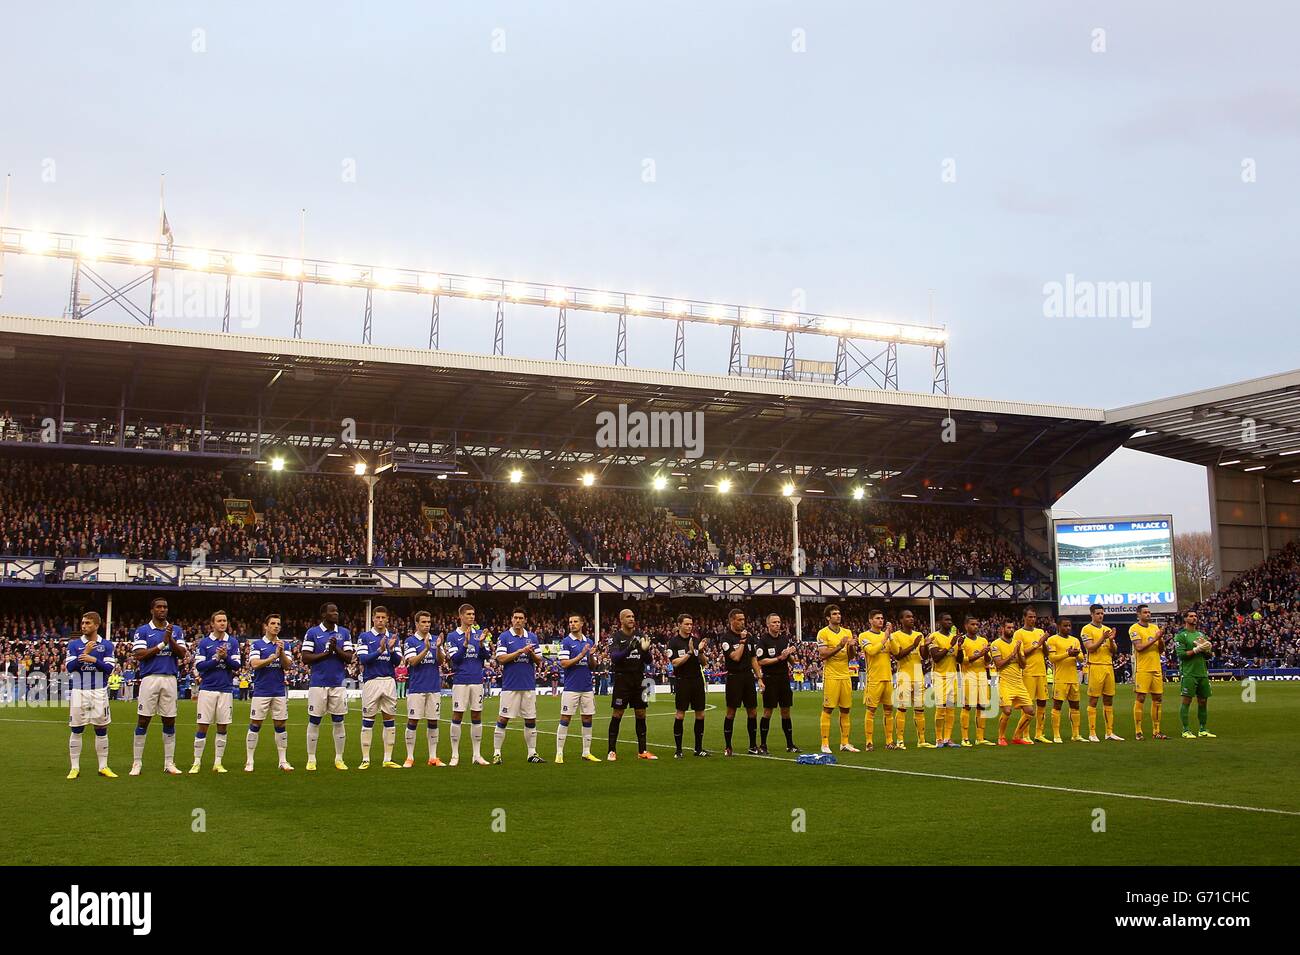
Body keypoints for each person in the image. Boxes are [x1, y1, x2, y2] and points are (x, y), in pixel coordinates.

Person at [130, 596, 187, 776]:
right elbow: (140, 654)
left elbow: (182, 653)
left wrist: (170, 639)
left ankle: (169, 762)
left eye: (165, 607)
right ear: (152, 610)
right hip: (150, 678)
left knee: (169, 719)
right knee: (143, 719)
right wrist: (162, 643)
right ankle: (137, 763)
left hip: (169, 678)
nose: (163, 610)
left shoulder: (176, 630)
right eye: (159, 607)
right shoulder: (143, 630)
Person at [300, 602, 354, 771]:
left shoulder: (344, 633)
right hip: (318, 684)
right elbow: (305, 658)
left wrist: (335, 649)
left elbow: (349, 657)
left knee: (338, 721)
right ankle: (311, 759)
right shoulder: (313, 633)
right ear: (323, 615)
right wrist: (325, 653)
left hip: (338, 683)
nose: (336, 613)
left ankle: (339, 758)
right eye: (332, 611)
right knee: (314, 720)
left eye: (337, 611)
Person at [65, 611, 117, 779]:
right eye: (83, 623)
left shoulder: (107, 645)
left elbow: (109, 669)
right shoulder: (73, 645)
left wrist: (93, 659)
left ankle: (103, 766)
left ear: (96, 625)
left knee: (101, 728)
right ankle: (74, 768)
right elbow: (69, 667)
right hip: (79, 690)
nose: (84, 626)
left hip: (99, 691)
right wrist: (83, 655)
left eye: (88, 623)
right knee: (77, 729)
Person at [191, 609, 241, 774]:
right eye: (219, 621)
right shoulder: (205, 643)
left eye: (224, 621)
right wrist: (217, 658)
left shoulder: (232, 642)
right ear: (212, 624)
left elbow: (236, 666)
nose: (222, 623)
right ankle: (197, 762)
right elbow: (200, 666)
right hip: (207, 689)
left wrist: (225, 657)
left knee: (222, 727)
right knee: (202, 726)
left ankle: (218, 762)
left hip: (225, 690)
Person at [493, 607, 545, 764]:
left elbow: (539, 661)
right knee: (503, 719)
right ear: (511, 619)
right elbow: (501, 659)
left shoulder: (532, 637)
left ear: (525, 620)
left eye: (521, 618)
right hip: (510, 686)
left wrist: (531, 654)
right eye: (515, 617)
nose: (518, 620)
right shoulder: (504, 637)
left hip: (528, 685)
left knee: (530, 719)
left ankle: (532, 753)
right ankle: (496, 754)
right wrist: (520, 651)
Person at [445, 603, 492, 766]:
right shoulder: (452, 636)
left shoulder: (479, 634)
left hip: (477, 680)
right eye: (468, 614)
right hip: (460, 681)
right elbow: (455, 659)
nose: (472, 617)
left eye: (473, 614)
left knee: (477, 715)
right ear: (461, 616)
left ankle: (477, 755)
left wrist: (480, 644)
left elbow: (487, 656)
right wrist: (465, 644)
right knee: (457, 715)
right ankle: (455, 754)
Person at [245, 613, 294, 772]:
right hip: (261, 691)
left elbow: (287, 666)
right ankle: (250, 761)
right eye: (273, 623)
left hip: (278, 691)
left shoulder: (284, 645)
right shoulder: (257, 645)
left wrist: (281, 654)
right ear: (266, 626)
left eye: (278, 624)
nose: (276, 626)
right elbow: (254, 664)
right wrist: (272, 657)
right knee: (255, 724)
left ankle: (283, 760)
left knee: (280, 724)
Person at [355, 605, 402, 769]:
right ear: (373, 619)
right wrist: (380, 650)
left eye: (383, 618)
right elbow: (363, 659)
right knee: (368, 720)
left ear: (387, 619)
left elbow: (397, 662)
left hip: (389, 681)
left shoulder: (392, 637)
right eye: (378, 617)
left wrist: (391, 649)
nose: (380, 620)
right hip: (372, 681)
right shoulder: (365, 637)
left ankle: (387, 759)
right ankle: (365, 759)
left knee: (389, 720)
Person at [607, 607, 656, 761]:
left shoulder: (641, 636)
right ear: (621, 620)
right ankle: (611, 751)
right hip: (623, 679)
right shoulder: (615, 637)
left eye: (633, 616)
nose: (631, 619)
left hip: (640, 679)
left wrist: (645, 650)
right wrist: (630, 648)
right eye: (628, 616)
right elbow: (615, 658)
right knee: (618, 713)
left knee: (641, 713)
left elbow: (649, 660)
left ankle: (642, 751)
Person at [556, 612, 601, 763]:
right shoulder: (566, 642)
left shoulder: (588, 641)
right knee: (565, 718)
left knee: (587, 718)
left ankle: (586, 752)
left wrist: (591, 656)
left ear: (582, 624)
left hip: (587, 687)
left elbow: (593, 666)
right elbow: (564, 664)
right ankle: (559, 753)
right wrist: (581, 655)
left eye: (575, 621)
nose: (572, 624)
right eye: (570, 622)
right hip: (571, 687)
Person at [403, 610, 445, 767]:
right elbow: (412, 662)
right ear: (416, 624)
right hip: (417, 687)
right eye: (424, 622)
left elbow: (440, 662)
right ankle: (410, 757)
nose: (427, 625)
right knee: (413, 721)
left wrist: (439, 648)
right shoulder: (410, 641)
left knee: (433, 721)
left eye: (428, 622)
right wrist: (427, 649)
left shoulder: (435, 639)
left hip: (433, 687)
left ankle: (433, 757)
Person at [719, 609, 764, 756]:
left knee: (752, 711)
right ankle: (728, 746)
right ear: (732, 620)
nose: (743, 622)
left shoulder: (750, 637)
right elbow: (735, 657)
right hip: (734, 677)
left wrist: (759, 678)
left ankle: (752, 745)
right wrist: (743, 641)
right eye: (739, 620)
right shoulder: (726, 639)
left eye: (744, 619)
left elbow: (753, 659)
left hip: (748, 677)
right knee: (731, 712)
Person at [815, 604, 858, 754]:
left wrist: (852, 646)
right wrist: (840, 645)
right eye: (834, 614)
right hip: (832, 675)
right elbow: (823, 655)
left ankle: (845, 743)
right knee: (828, 709)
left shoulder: (847, 632)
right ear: (828, 617)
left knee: (846, 709)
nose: (838, 616)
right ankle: (825, 743)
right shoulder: (823, 633)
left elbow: (851, 656)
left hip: (845, 675)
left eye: (839, 613)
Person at [666, 613, 710, 758]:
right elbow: (674, 663)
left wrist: (701, 651)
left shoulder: (696, 641)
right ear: (679, 625)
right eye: (686, 624)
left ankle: (698, 748)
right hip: (682, 680)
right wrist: (690, 653)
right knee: (680, 714)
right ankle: (678, 750)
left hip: (697, 680)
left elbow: (704, 663)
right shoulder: (673, 643)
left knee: (701, 714)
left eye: (691, 624)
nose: (689, 626)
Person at [756, 612, 799, 754]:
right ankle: (762, 745)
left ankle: (790, 744)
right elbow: (761, 661)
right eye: (774, 622)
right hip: (770, 678)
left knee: (786, 711)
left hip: (783, 679)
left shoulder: (784, 639)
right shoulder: (763, 641)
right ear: (767, 625)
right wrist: (780, 658)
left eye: (779, 622)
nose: (777, 625)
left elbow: (791, 661)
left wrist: (791, 654)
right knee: (768, 711)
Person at [889, 609, 932, 749]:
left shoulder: (919, 635)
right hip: (904, 676)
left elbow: (924, 656)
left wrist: (925, 645)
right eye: (908, 617)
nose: (911, 619)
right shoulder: (895, 636)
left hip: (918, 676)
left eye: (912, 616)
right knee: (902, 709)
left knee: (920, 709)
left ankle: (922, 740)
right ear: (901, 620)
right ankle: (900, 741)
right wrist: (914, 644)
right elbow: (898, 655)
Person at [1081, 604, 1123, 742]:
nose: (1100, 615)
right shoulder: (1086, 629)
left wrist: (1110, 640)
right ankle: (1092, 733)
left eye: (1102, 613)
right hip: (1095, 666)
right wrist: (1103, 638)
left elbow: (1114, 650)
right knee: (1093, 699)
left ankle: (1109, 732)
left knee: (1109, 699)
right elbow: (1090, 648)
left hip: (1108, 666)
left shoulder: (1107, 629)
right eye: (1098, 613)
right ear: (1091, 614)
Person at [989, 620, 1034, 745]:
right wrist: (1012, 654)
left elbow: (1023, 665)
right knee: (1007, 711)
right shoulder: (996, 644)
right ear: (1002, 629)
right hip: (1005, 683)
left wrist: (1019, 653)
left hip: (1019, 683)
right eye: (1008, 627)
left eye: (1012, 627)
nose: (1011, 629)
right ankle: (1001, 737)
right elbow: (998, 665)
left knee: (1030, 711)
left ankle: (1017, 736)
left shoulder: (1017, 643)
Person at [1174, 610, 1216, 739]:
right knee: (1187, 701)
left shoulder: (1200, 634)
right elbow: (1181, 655)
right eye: (1191, 616)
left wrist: (1207, 649)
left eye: (1195, 616)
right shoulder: (1181, 635)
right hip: (1189, 673)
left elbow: (1208, 656)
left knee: (1203, 701)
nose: (1194, 618)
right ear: (1185, 619)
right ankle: (1185, 730)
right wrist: (1197, 649)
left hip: (1202, 672)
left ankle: (1202, 729)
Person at [1128, 603, 1167, 740]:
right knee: (1141, 698)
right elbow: (1139, 647)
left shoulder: (1154, 628)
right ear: (1138, 614)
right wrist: (1156, 638)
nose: (1148, 614)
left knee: (1158, 698)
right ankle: (1138, 731)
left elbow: (1160, 650)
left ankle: (1156, 731)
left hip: (1156, 667)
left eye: (1149, 612)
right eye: (1145, 612)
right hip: (1143, 669)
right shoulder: (1134, 628)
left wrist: (1160, 639)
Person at [1014, 606, 1052, 744]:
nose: (1033, 619)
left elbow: (1046, 653)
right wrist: (1039, 643)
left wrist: (1045, 644)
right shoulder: (1019, 634)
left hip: (1041, 672)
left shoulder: (1040, 632)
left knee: (1042, 702)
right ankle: (1025, 734)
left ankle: (1039, 733)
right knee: (1027, 704)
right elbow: (1021, 653)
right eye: (1030, 617)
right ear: (1024, 617)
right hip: (1028, 672)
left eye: (1034, 617)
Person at [956, 615, 994, 746]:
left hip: (982, 675)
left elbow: (988, 661)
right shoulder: (963, 641)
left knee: (982, 706)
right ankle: (965, 738)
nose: (975, 627)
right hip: (968, 676)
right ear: (966, 626)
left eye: (977, 624)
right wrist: (980, 654)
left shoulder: (983, 640)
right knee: (967, 706)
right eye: (972, 624)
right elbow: (963, 660)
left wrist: (987, 654)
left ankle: (980, 738)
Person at [859, 609, 893, 751]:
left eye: (882, 618)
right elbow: (872, 651)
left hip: (888, 678)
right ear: (870, 620)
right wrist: (885, 638)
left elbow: (896, 651)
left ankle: (890, 741)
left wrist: (890, 637)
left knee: (889, 710)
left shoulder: (886, 636)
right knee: (871, 710)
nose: (881, 620)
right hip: (874, 679)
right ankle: (869, 742)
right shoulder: (864, 636)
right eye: (878, 618)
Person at [1046, 616, 1084, 743]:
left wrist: (1076, 654)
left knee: (1075, 706)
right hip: (1060, 678)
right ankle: (1056, 735)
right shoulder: (1052, 640)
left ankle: (1076, 734)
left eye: (1069, 626)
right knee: (1057, 706)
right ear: (1058, 626)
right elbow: (1052, 659)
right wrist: (1067, 654)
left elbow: (1082, 659)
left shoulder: (1075, 640)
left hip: (1073, 677)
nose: (1068, 628)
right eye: (1065, 625)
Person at [927, 612, 960, 747]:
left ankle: (948, 738)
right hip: (939, 675)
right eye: (946, 620)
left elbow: (959, 659)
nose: (949, 622)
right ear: (939, 622)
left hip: (953, 675)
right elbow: (936, 657)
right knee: (941, 708)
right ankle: (939, 739)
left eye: (950, 620)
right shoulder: (934, 636)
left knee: (951, 708)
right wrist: (950, 646)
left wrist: (961, 647)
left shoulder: (954, 638)